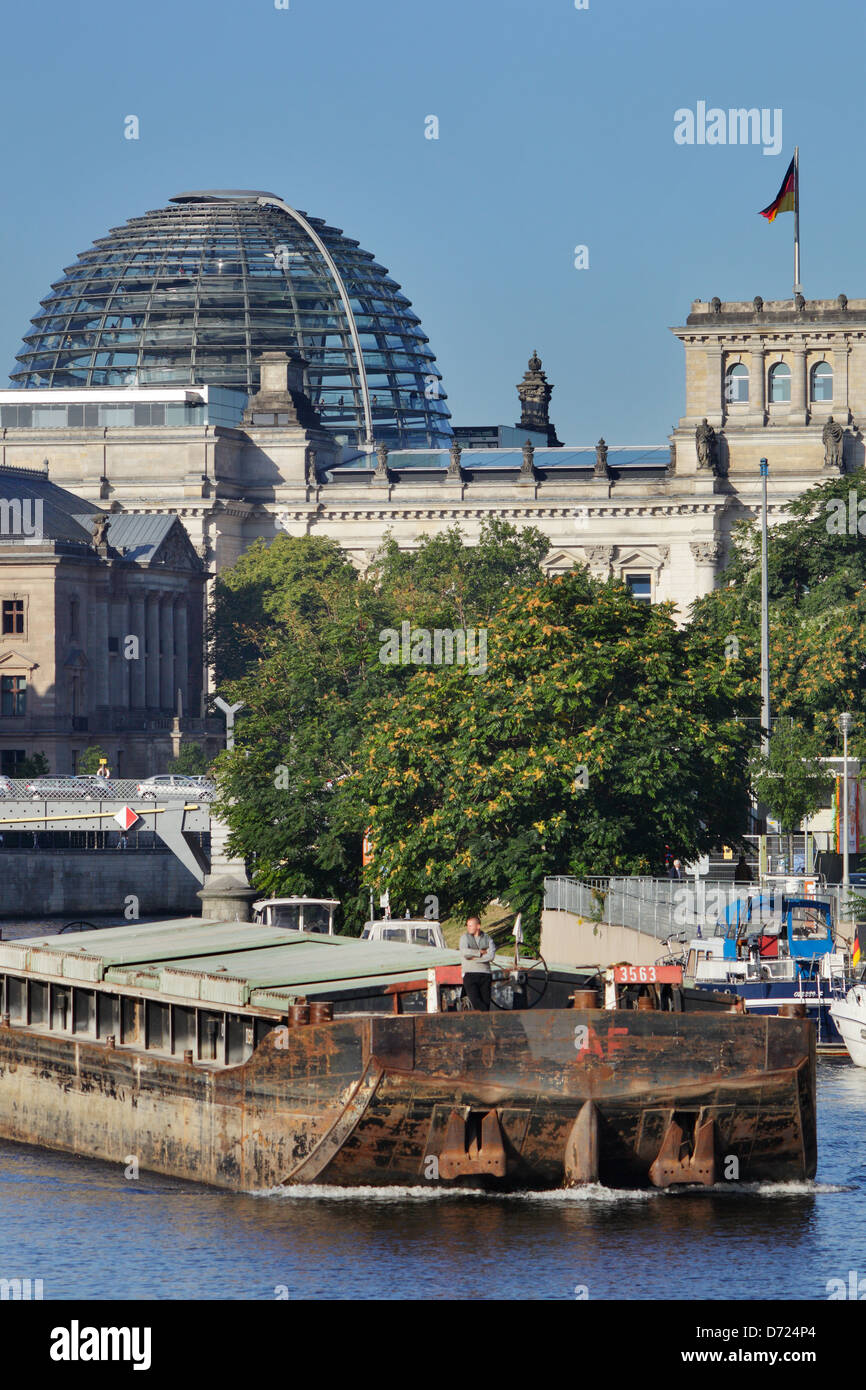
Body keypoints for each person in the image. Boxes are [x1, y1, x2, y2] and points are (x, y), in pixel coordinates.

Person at [459, 915, 497, 1011]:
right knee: (475, 1000)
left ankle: (485, 1020)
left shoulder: (488, 939)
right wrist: (479, 952)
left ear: (478, 926)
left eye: (471, 925)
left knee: (486, 1001)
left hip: (485, 974)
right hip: (470, 973)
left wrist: (473, 958)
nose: (468, 928)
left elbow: (491, 956)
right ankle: (486, 1017)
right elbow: (465, 952)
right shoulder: (464, 938)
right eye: (467, 925)